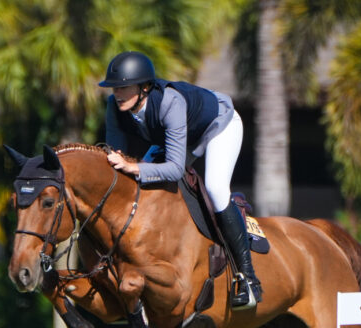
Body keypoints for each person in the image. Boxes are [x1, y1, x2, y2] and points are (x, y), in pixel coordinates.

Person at [99, 50, 261, 309]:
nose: (117, 93)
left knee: (216, 188)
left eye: (124, 87)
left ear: (144, 88)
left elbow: (174, 169)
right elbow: (115, 157)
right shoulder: (114, 107)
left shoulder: (169, 102)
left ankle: (248, 279)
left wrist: (134, 166)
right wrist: (125, 166)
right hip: (180, 137)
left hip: (219, 125)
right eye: (114, 88)